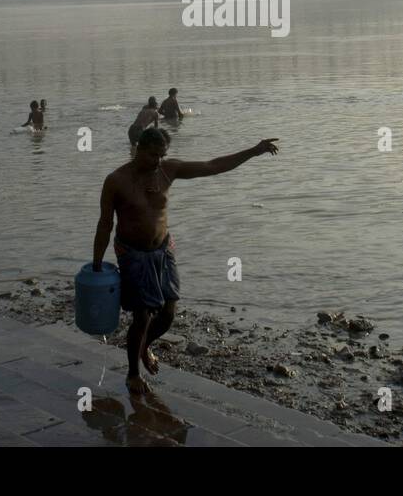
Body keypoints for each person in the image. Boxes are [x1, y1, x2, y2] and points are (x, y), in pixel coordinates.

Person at [93, 127, 280, 395]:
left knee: (168, 314)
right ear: (138, 149)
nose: (157, 161)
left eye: (162, 155)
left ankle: (145, 346)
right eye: (152, 155)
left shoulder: (169, 170)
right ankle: (133, 373)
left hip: (163, 249)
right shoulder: (116, 180)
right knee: (142, 316)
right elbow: (104, 224)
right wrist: (97, 264)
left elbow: (213, 166)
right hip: (132, 253)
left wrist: (254, 150)